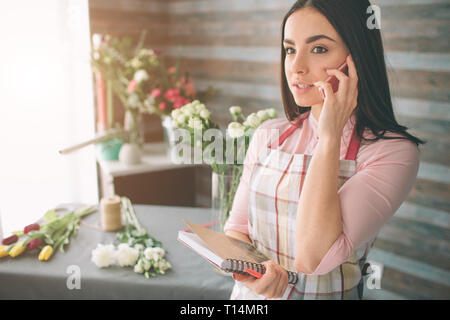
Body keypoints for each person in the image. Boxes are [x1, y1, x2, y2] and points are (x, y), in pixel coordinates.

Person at [223, 0, 425, 300]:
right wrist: (253, 274)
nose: (297, 66)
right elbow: (237, 230)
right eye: (290, 49)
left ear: (355, 59)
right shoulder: (268, 135)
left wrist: (329, 136)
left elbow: (313, 257)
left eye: (318, 49)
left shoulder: (392, 153)